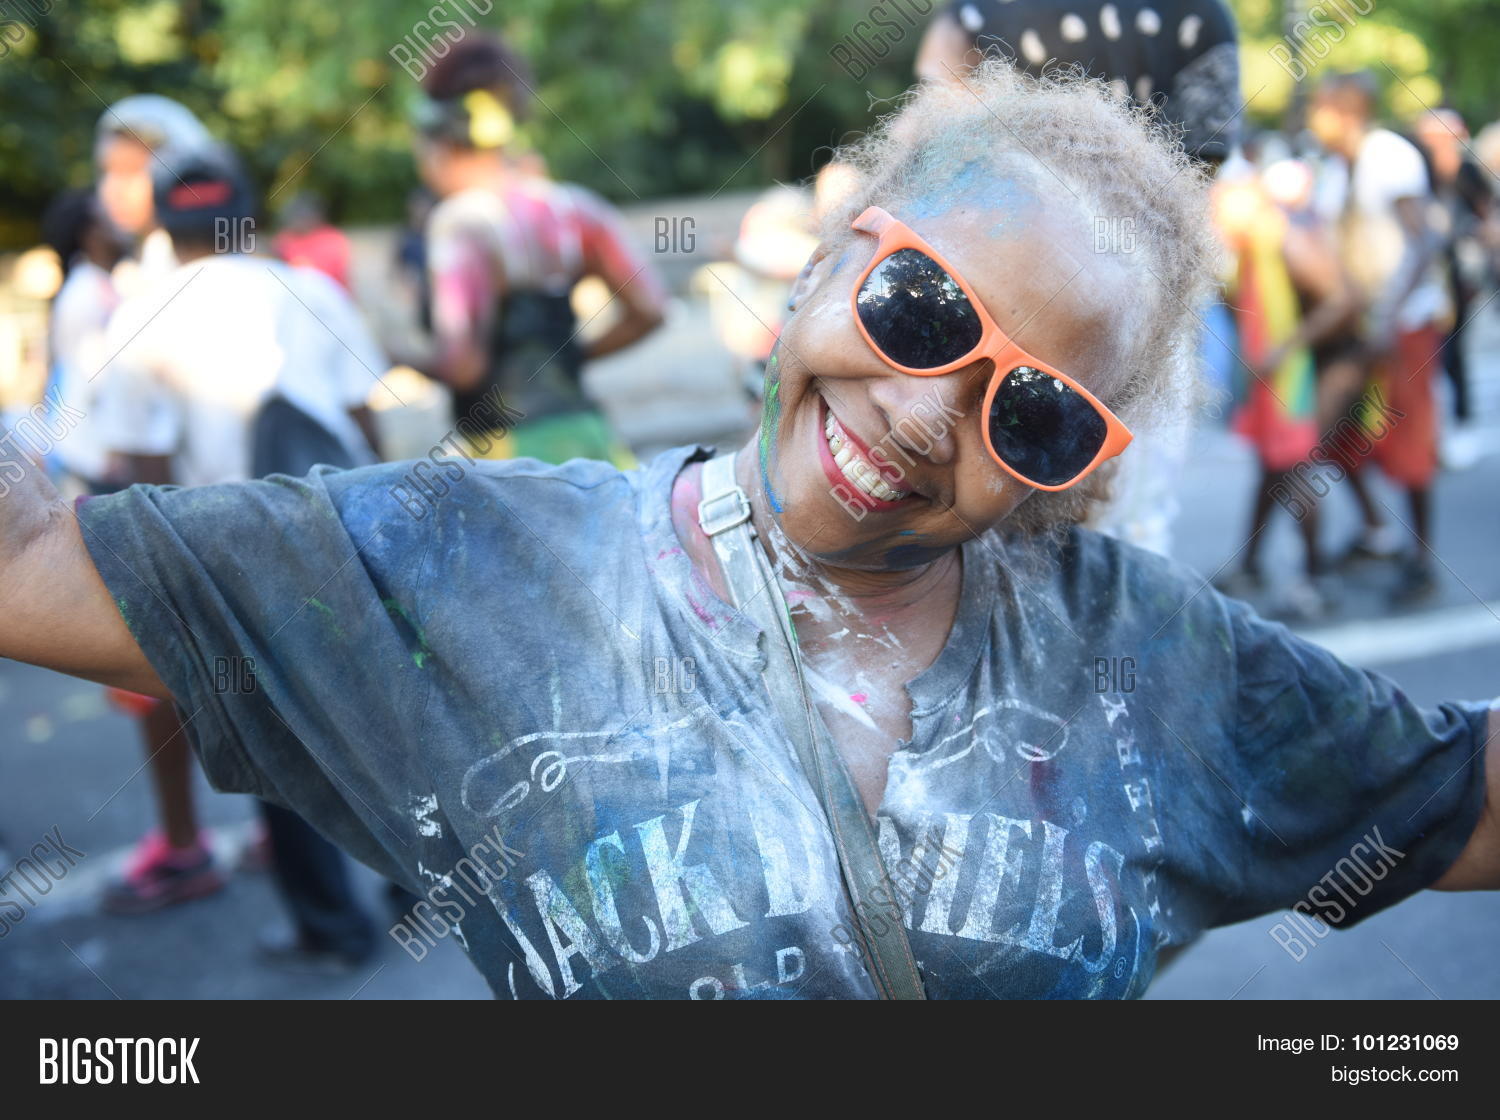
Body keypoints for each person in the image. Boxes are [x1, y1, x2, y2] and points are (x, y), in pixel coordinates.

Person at [2, 64, 1495, 1000]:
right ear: (825, 270)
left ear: (1072, 470)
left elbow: (1460, 798)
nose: (926, 418)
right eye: (921, 311)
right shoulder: (476, 564)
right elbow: (34, 563)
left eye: (1030, 413)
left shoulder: (1152, 657)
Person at [89, 144, 389, 967]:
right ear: (248, 213)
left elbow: (142, 472)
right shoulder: (312, 289)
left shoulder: (139, 318)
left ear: (162, 223)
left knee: (280, 740)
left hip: (234, 560)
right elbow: (369, 424)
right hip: (347, 533)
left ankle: (333, 929)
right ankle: (418, 887)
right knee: (385, 716)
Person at [914, 0, 1242, 558]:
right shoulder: (1204, 14)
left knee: (989, 532)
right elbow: (1200, 176)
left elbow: (932, 141)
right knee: (1131, 536)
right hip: (1148, 317)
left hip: (1004, 309)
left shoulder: (978, 12)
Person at [403, 32, 666, 465]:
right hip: (591, 441)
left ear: (440, 143)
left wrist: (392, 353)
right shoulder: (577, 209)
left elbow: (463, 365)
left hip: (506, 454)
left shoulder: (460, 222)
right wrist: (571, 357)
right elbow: (651, 310)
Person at [1308, 72, 1450, 605]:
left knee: (1410, 439)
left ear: (1347, 111)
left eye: (1321, 108)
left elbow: (1424, 241)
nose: (1312, 120)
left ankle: (1423, 560)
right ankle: (1374, 530)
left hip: (1403, 321)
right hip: (1358, 326)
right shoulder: (1331, 170)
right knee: (1335, 435)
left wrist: (1388, 315)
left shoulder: (1389, 156)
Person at [1212, 157, 1358, 619]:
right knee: (1273, 470)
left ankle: (1316, 581)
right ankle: (1252, 565)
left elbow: (1342, 302)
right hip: (1279, 376)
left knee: (1295, 472)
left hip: (1305, 373)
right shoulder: (1250, 251)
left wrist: (1285, 348)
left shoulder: (1284, 239)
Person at [1414, 109, 1493, 466]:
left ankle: (1459, 425)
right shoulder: (1420, 170)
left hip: (1458, 272)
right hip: (1427, 272)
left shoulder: (1469, 172)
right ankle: (1428, 431)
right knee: (1426, 353)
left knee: (1453, 350)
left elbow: (1486, 217)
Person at [38, 188, 129, 494]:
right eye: (108, 217)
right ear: (90, 235)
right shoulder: (89, 294)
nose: (120, 223)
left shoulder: (97, 285)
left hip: (85, 450)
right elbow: (96, 375)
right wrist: (113, 450)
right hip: (91, 455)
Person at [272, 193, 354, 293]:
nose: (298, 221)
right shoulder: (284, 239)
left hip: (329, 294)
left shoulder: (332, 239)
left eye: (303, 216)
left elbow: (336, 276)